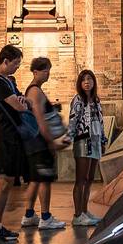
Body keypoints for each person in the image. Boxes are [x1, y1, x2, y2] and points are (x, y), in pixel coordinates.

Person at [0, 45, 29, 244]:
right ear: (5, 61)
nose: (17, 68)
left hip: (13, 136)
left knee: (9, 182)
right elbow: (20, 105)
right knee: (2, 182)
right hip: (3, 136)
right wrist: (21, 102)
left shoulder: (9, 81)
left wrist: (21, 101)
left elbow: (24, 100)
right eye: (15, 64)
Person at [20, 57, 70, 232]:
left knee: (35, 179)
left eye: (49, 70)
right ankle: (46, 217)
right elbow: (40, 120)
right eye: (45, 70)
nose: (48, 74)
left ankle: (28, 215)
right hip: (40, 143)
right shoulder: (35, 92)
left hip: (34, 143)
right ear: (35, 72)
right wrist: (51, 142)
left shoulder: (34, 91)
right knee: (44, 180)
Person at [68, 69, 107, 226]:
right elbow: (72, 121)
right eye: (83, 79)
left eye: (89, 79)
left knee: (90, 179)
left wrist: (103, 141)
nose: (86, 82)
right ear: (80, 83)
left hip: (96, 141)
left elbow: (101, 122)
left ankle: (85, 211)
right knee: (81, 179)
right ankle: (77, 215)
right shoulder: (78, 100)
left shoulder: (96, 100)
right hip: (83, 141)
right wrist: (68, 139)